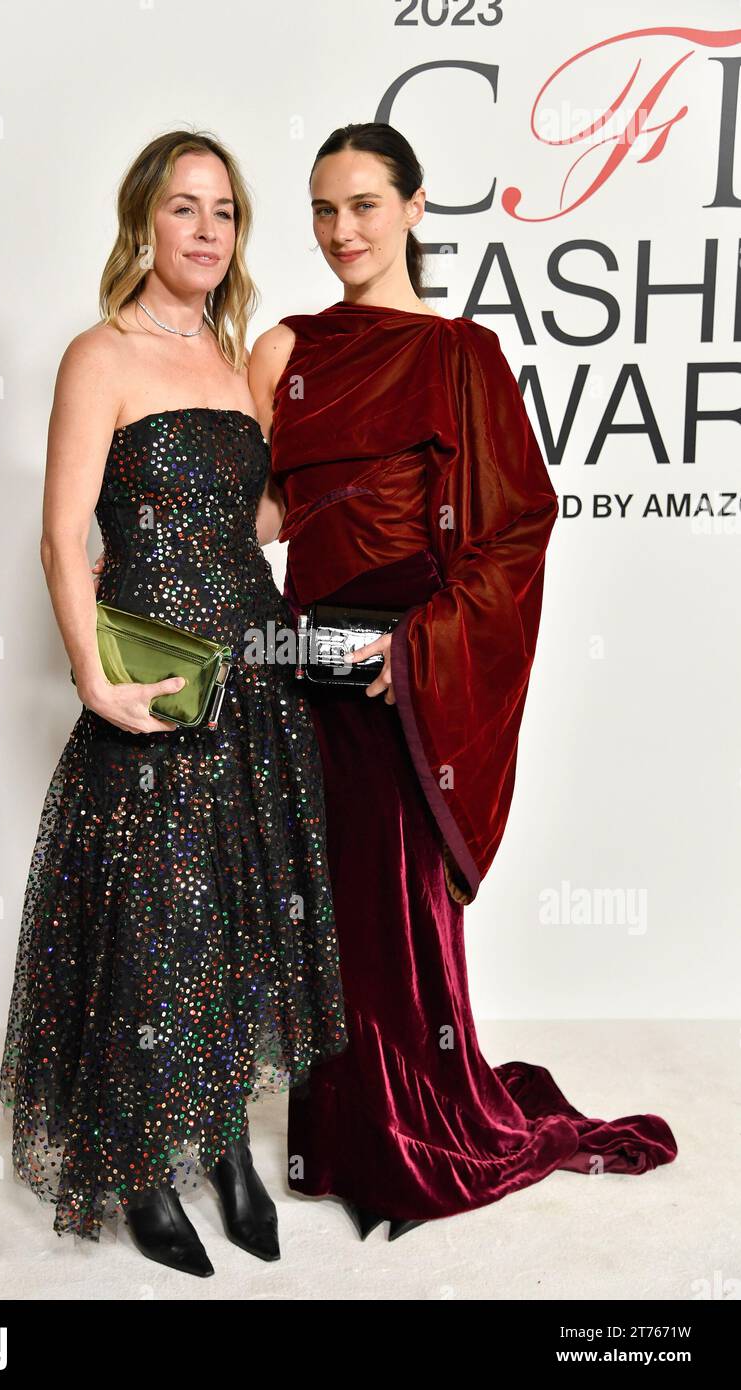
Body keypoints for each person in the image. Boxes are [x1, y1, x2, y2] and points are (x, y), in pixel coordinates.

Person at [248, 122, 678, 1241]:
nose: (343, 231)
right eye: (324, 210)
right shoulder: (283, 347)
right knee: (327, 915)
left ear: (415, 206)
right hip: (306, 672)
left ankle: (419, 1131)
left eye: (365, 206)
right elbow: (267, 513)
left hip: (407, 674)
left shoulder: (459, 354)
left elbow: (517, 531)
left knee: (398, 911)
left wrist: (421, 647)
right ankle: (339, 1136)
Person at [0, 130, 347, 1277]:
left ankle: (229, 1147)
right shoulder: (98, 356)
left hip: (253, 669)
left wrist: (343, 481)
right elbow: (60, 536)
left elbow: (240, 521)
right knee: (154, 925)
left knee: (244, 918)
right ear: (145, 221)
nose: (208, 231)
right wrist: (93, 678)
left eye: (228, 213)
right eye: (187, 208)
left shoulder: (236, 360)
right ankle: (147, 1169)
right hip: (156, 675)